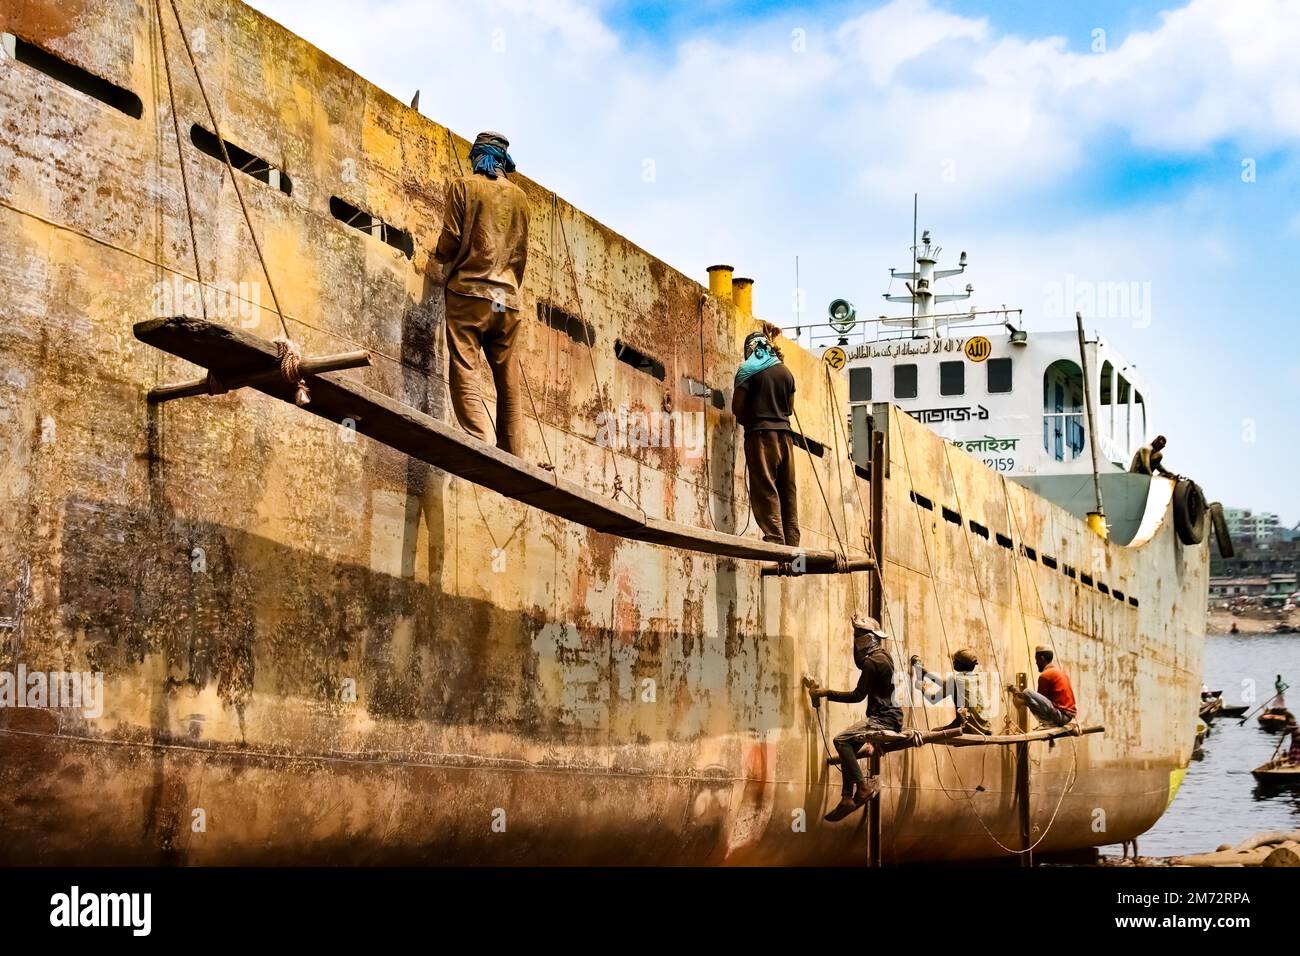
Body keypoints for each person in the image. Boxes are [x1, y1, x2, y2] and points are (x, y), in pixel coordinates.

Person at [432, 131, 530, 455]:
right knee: (508, 377)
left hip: (470, 294)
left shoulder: (464, 186)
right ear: (504, 163)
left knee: (465, 365)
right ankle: (514, 452)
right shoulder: (521, 199)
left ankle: (477, 440)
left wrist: (437, 258)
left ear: (479, 158)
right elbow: (521, 254)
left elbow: (450, 237)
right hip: (507, 304)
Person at [807, 614, 903, 822]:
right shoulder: (884, 656)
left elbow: (857, 695)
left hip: (883, 718)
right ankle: (846, 798)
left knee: (841, 741)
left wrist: (826, 693)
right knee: (847, 746)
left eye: (857, 636)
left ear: (865, 639)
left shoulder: (872, 663)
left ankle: (861, 788)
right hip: (892, 716)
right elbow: (861, 662)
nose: (855, 640)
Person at [732, 324, 799, 546]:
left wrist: (750, 419)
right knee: (787, 490)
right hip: (786, 438)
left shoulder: (747, 370)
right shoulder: (786, 372)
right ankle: (792, 543)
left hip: (760, 436)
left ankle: (775, 539)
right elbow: (789, 409)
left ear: (749, 349)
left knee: (765, 487)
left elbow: (737, 408)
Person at [909, 648, 993, 735]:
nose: (953, 662)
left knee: (934, 732)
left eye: (955, 661)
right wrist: (925, 672)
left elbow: (933, 699)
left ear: (959, 665)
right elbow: (947, 684)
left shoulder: (954, 680)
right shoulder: (978, 678)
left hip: (968, 727)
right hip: (984, 728)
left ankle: (963, 726)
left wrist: (922, 687)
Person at [1008, 645, 1077, 729]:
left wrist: (1021, 701)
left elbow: (1039, 705)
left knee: (1027, 692)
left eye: (1037, 659)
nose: (1036, 663)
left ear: (1042, 658)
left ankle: (1048, 722)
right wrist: (1019, 694)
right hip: (1067, 717)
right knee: (1026, 694)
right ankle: (1050, 722)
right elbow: (1043, 701)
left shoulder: (1045, 676)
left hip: (1060, 716)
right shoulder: (1059, 672)